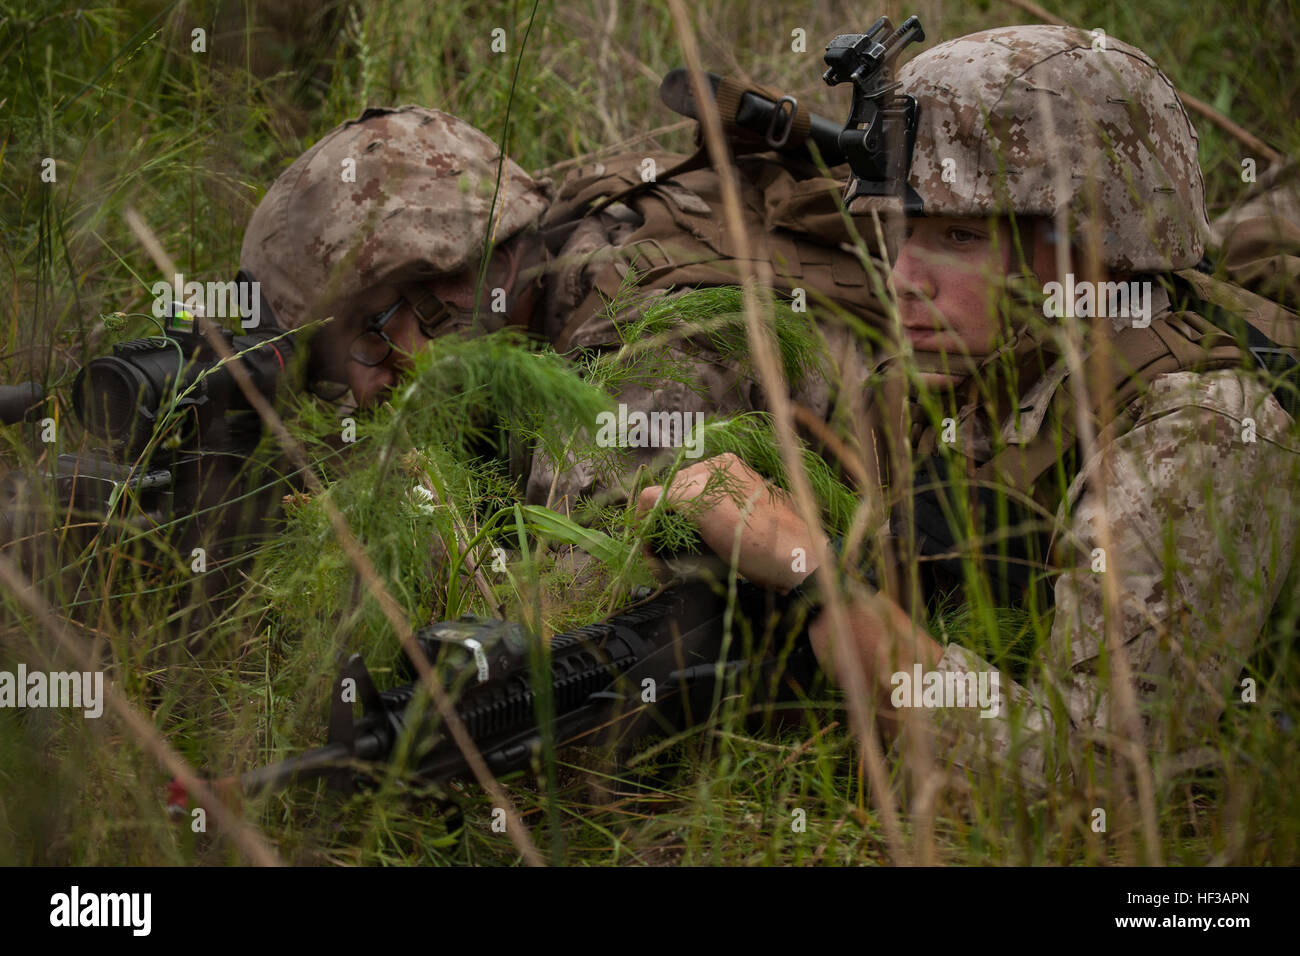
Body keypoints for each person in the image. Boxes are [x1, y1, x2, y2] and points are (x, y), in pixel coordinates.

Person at [638, 24, 1300, 791]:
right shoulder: (969, 367)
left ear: (1091, 248)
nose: (903, 280)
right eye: (900, 233)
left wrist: (818, 579)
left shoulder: (1205, 429)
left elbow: (1094, 781)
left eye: (957, 235)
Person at [239, 102, 890, 512]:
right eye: (332, 368)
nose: (366, 386)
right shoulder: (561, 253)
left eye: (373, 335)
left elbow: (561, 623)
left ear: (460, 280)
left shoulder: (653, 352)